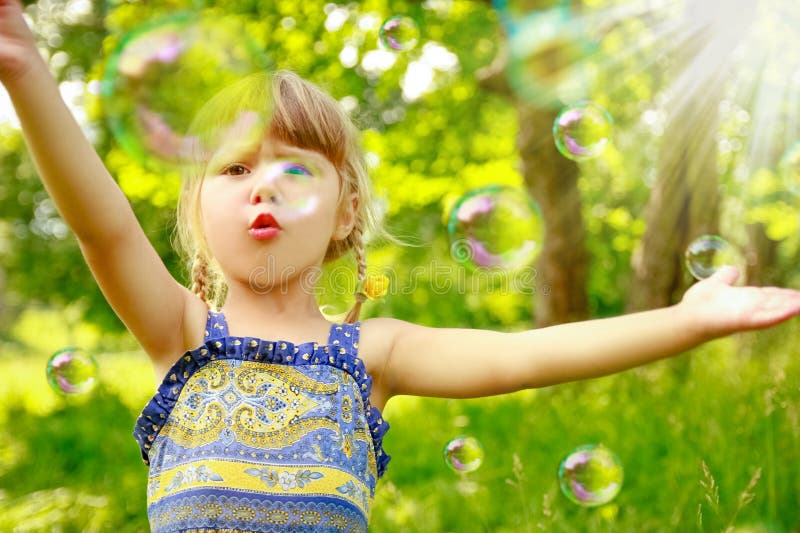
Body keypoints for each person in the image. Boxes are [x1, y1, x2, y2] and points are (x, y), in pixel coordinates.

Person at [3, 1, 800, 531]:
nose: (265, 187)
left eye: (298, 168)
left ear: (345, 213)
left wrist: (686, 319)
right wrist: (26, 70)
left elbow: (525, 356)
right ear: (198, 212)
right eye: (236, 168)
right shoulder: (179, 331)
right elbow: (102, 226)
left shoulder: (372, 355)